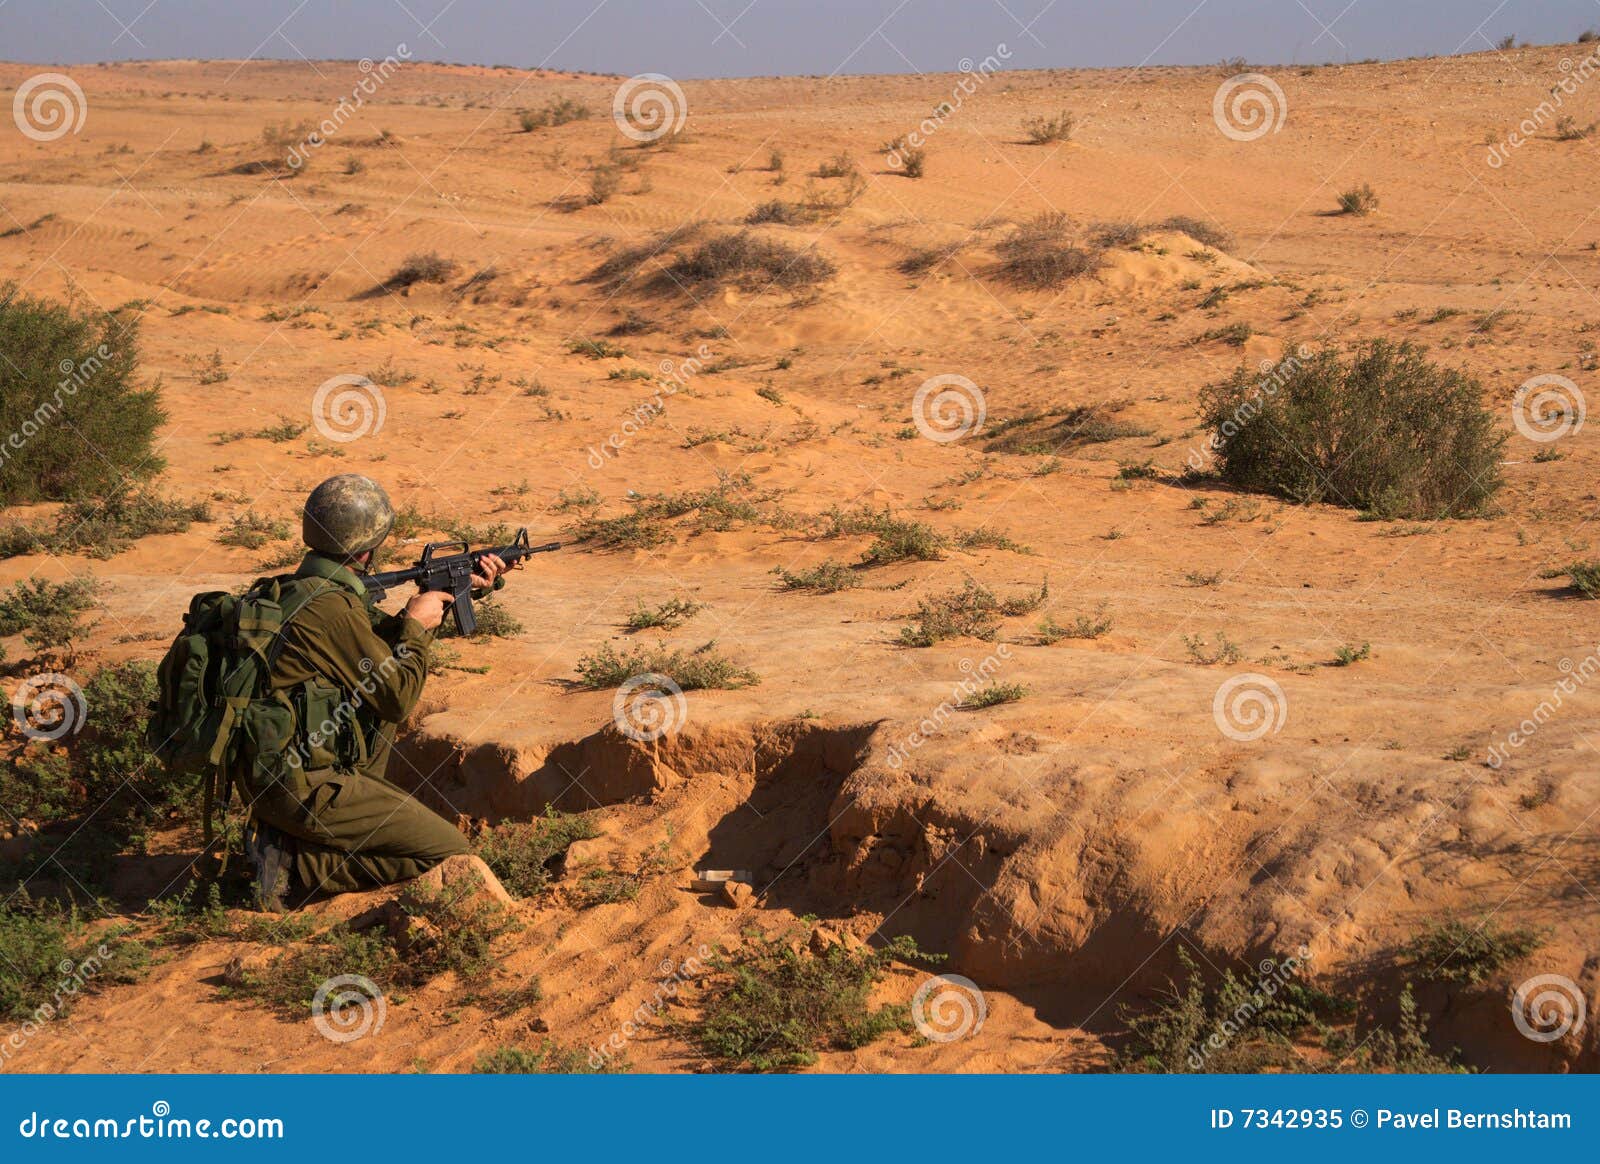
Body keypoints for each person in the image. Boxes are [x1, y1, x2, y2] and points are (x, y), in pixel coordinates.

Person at [244, 473, 515, 909]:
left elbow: (376, 649)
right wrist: (414, 625)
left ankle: (301, 840)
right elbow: (397, 696)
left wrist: (456, 590)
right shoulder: (331, 610)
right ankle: (296, 866)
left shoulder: (301, 591)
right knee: (448, 854)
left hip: (278, 776)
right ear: (369, 548)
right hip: (304, 785)